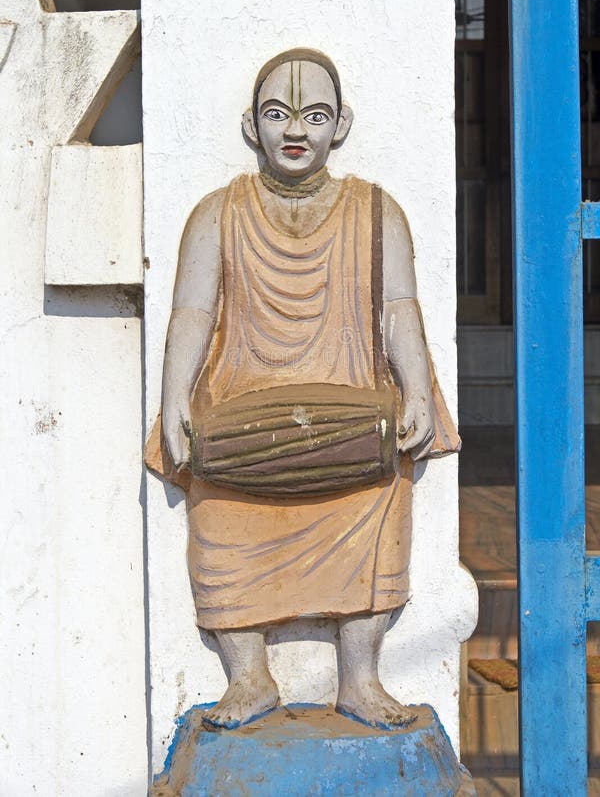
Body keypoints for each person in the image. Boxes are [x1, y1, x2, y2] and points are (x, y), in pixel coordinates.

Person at [146, 48, 459, 730]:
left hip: (351, 406)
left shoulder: (378, 212)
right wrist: (174, 399)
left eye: (315, 115)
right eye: (277, 114)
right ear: (250, 124)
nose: (296, 131)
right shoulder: (215, 214)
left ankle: (360, 675)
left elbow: (399, 307)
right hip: (244, 413)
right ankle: (250, 676)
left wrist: (415, 391)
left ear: (340, 124)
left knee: (381, 500)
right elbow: (192, 313)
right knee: (219, 519)